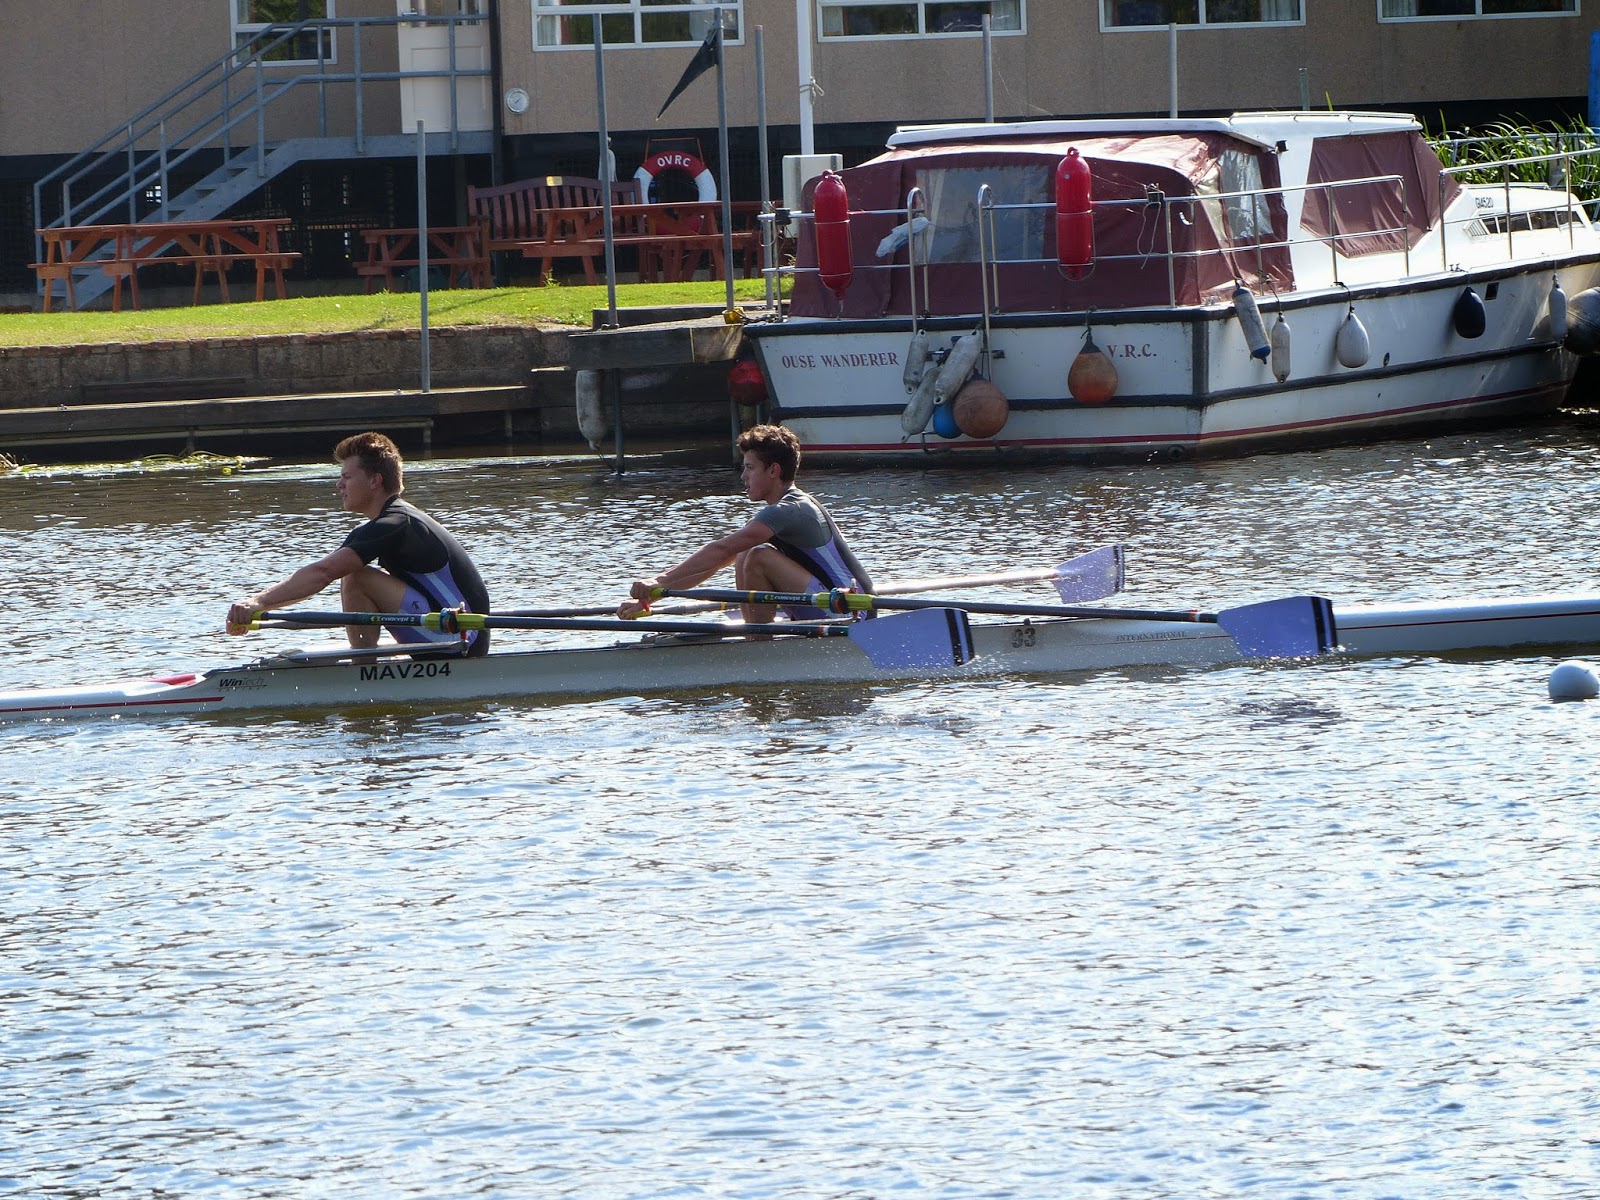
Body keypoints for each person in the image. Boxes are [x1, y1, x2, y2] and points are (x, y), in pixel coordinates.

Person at [226, 431, 492, 656]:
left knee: (356, 576)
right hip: (455, 632)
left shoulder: (394, 524)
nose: (338, 485)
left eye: (347, 477)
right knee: (354, 573)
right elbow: (318, 576)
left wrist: (256, 602)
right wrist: (260, 607)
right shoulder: (391, 522)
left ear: (375, 480)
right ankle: (366, 663)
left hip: (460, 638)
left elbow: (323, 573)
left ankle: (363, 670)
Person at [619, 423, 873, 625]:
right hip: (831, 604)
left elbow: (720, 548)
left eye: (750, 468)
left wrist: (659, 579)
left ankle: (757, 646)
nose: (743, 477)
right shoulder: (782, 510)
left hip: (851, 612)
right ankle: (757, 641)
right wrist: (652, 596)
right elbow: (717, 560)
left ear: (773, 471)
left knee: (758, 556)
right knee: (745, 553)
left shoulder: (789, 510)